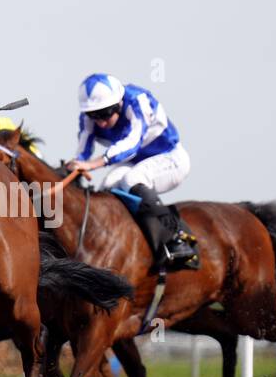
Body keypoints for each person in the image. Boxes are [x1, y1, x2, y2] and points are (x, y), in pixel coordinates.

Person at [66, 73, 197, 269]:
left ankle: (176, 239)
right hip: (136, 162)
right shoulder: (88, 118)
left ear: (118, 103)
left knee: (132, 178)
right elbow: (84, 146)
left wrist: (94, 164)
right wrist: (76, 164)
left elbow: (132, 143)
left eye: (105, 113)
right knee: (107, 187)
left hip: (171, 158)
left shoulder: (138, 100)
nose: (100, 122)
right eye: (94, 115)